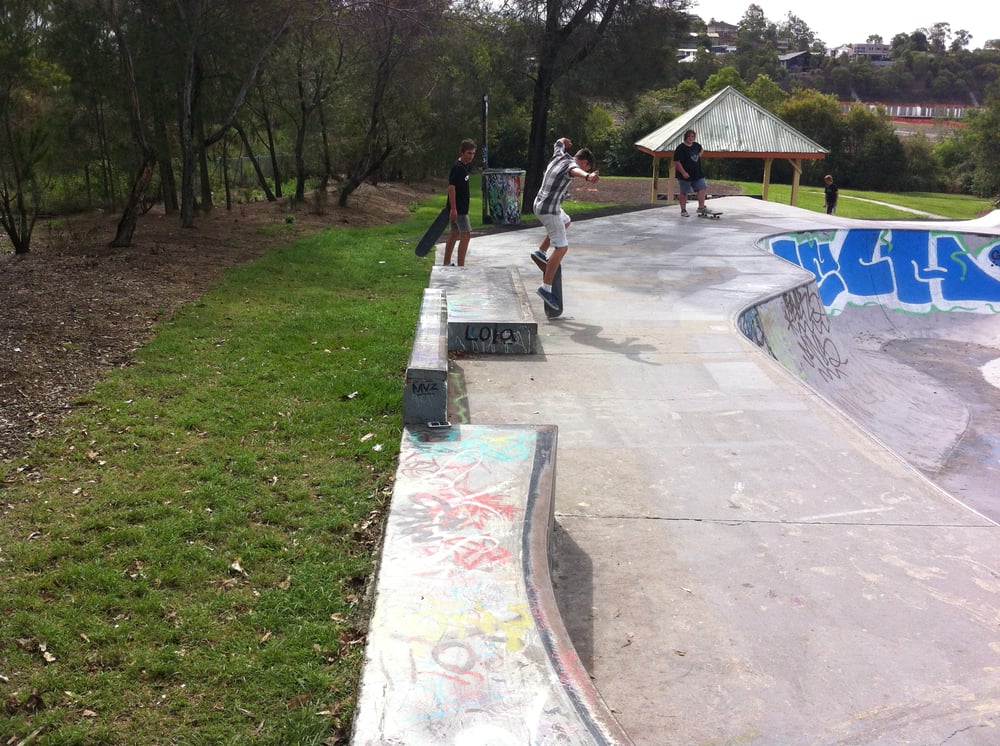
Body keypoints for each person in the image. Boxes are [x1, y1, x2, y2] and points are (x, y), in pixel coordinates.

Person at [532, 137, 598, 312]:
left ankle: (541, 251)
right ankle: (546, 289)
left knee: (566, 221)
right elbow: (575, 171)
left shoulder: (559, 155)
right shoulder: (572, 166)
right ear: (584, 162)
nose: (585, 169)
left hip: (539, 203)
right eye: (587, 166)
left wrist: (563, 140)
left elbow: (558, 143)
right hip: (549, 210)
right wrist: (588, 176)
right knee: (562, 247)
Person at [442, 139, 477, 266]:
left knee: (454, 233)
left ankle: (446, 263)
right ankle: (461, 266)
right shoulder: (458, 167)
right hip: (459, 209)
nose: (471, 156)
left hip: (459, 208)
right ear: (462, 152)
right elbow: (451, 188)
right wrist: (453, 208)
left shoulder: (463, 167)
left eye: (473, 153)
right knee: (466, 235)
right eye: (468, 153)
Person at [673, 129, 707, 217]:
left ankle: (701, 207)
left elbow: (702, 149)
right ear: (685, 137)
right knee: (684, 192)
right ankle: (683, 210)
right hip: (685, 175)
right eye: (689, 136)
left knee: (702, 187)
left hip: (697, 173)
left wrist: (699, 155)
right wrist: (683, 172)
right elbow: (677, 162)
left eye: (692, 136)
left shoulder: (696, 145)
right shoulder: (681, 148)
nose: (691, 138)